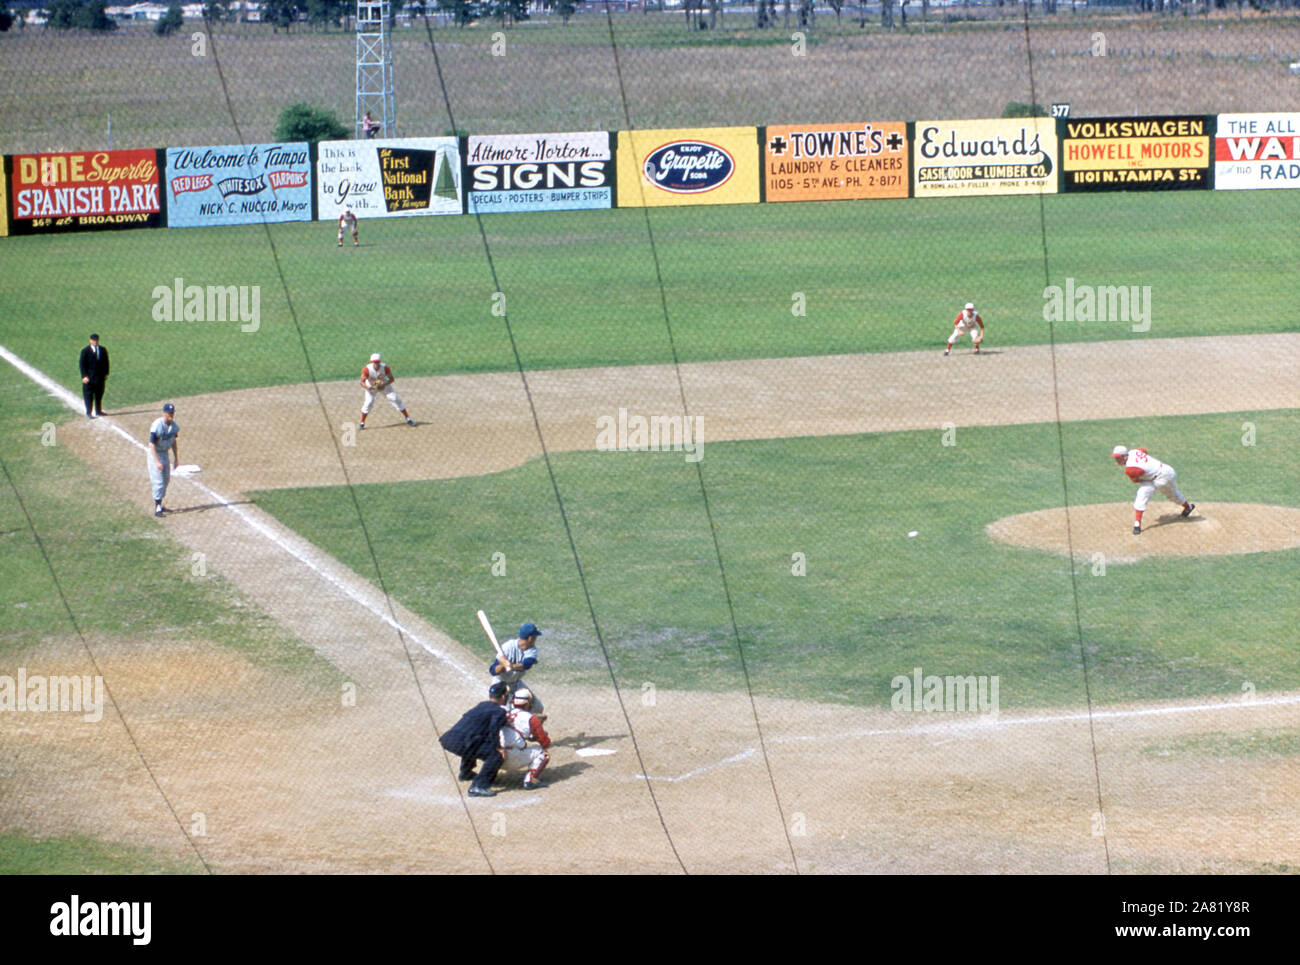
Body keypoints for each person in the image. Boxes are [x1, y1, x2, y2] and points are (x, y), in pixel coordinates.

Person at [439, 682, 510, 798]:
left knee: (474, 744)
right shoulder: (499, 711)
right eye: (506, 695)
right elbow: (493, 729)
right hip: (463, 741)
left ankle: (466, 773)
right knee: (495, 756)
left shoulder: (481, 705)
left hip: (450, 738)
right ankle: (479, 786)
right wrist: (498, 747)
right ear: (503, 696)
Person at [1112, 445, 1195, 535]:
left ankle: (1188, 507)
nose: (1116, 460)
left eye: (1118, 458)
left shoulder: (1130, 469)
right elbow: (1143, 450)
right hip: (1163, 471)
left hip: (1162, 478)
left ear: (1125, 456)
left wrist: (1146, 470)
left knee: (1171, 495)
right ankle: (1137, 524)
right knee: (1142, 494)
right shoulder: (1133, 451)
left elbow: (1136, 480)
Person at [498, 688, 552, 790]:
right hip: (511, 758)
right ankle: (530, 781)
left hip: (495, 757)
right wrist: (540, 732)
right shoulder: (531, 719)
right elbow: (546, 743)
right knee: (543, 754)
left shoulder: (505, 714)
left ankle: (489, 776)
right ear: (527, 704)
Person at [490, 622, 545, 717]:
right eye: (535, 637)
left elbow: (527, 664)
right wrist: (503, 666)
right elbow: (493, 670)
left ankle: (529, 729)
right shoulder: (508, 647)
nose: (536, 639)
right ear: (530, 638)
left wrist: (511, 666)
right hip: (500, 684)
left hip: (516, 683)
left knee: (537, 707)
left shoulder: (532, 649)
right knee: (505, 714)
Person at [358, 352, 416, 429]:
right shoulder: (367, 370)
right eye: (375, 362)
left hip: (384, 385)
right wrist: (368, 387)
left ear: (380, 361)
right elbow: (362, 382)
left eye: (378, 362)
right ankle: (362, 423)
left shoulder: (385, 368)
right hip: (371, 386)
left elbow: (392, 379)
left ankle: (408, 418)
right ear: (371, 362)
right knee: (369, 402)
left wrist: (384, 384)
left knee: (395, 399)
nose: (376, 363)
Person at [148, 403, 180, 517]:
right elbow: (151, 444)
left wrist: (176, 458)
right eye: (169, 413)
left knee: (166, 480)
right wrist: (156, 461)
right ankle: (157, 508)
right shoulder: (157, 425)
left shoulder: (174, 426)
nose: (171, 414)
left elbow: (174, 442)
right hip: (155, 454)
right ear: (164, 413)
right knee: (159, 481)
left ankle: (160, 504)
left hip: (165, 453)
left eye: (172, 412)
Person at [79, 333, 110, 418]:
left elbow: (106, 362)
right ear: (90, 341)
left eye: (96, 340)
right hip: (89, 378)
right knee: (88, 396)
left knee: (99, 394)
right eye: (93, 340)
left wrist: (106, 373)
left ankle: (98, 410)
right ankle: (89, 412)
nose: (95, 342)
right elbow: (82, 364)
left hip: (100, 377)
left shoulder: (103, 350)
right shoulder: (85, 351)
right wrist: (84, 376)